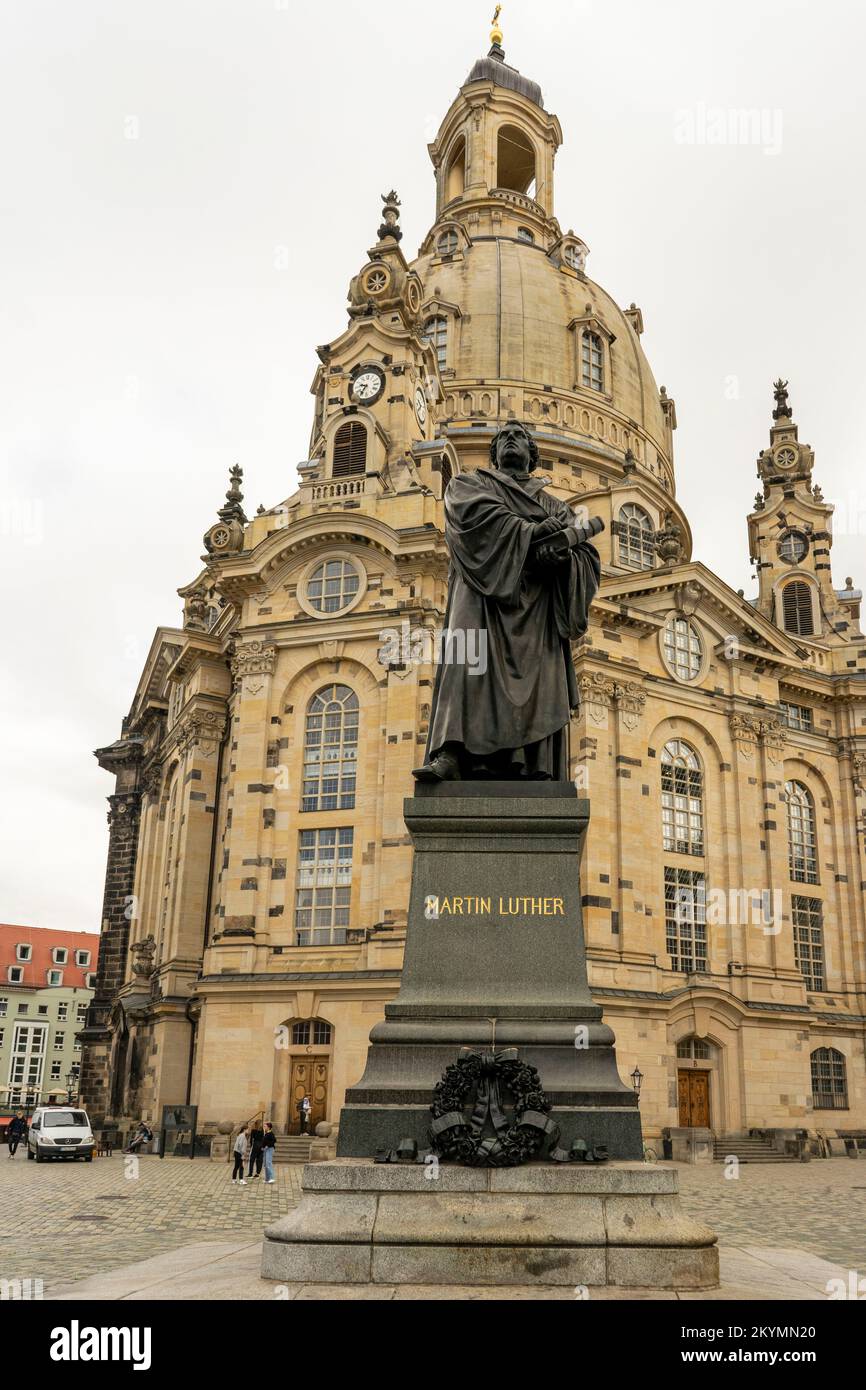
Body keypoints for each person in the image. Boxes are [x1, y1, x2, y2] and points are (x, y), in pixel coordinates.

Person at [413, 420, 601, 782]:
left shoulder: (556, 507)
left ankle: (533, 764)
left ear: (532, 456)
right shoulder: (469, 484)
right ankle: (452, 752)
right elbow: (471, 520)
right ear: (494, 453)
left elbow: (586, 559)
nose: (511, 441)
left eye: (519, 437)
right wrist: (531, 532)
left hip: (536, 607)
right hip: (479, 592)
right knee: (466, 660)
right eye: (504, 438)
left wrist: (562, 559)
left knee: (538, 675)